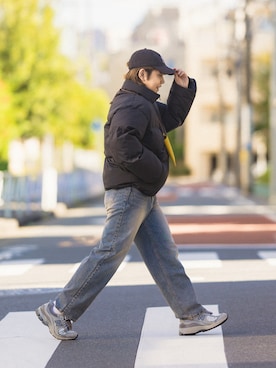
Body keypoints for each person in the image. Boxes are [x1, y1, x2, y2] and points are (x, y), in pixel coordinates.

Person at [36, 48, 228, 340]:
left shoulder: (143, 103)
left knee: (164, 255)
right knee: (109, 253)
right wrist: (157, 171)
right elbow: (122, 146)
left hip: (142, 194)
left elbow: (172, 118)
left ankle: (190, 316)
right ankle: (59, 310)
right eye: (158, 76)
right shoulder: (131, 104)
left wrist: (183, 87)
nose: (162, 81)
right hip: (130, 193)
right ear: (142, 74)